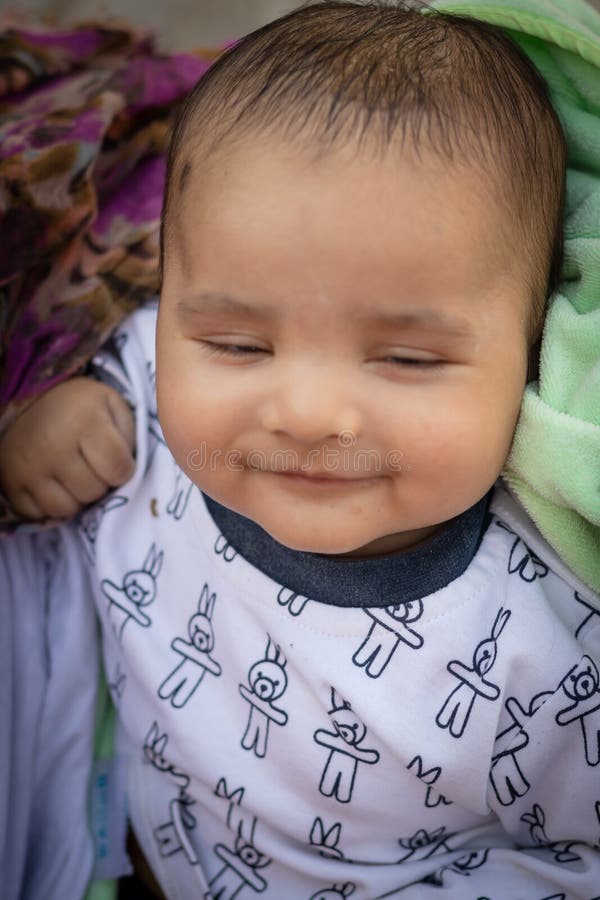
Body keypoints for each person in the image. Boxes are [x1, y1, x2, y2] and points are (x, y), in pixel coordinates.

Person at [1, 2, 599, 897]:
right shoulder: (147, 410)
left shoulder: (542, 660)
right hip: (118, 832)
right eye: (239, 345)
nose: (311, 412)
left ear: (531, 355)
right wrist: (58, 421)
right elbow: (120, 363)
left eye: (405, 357)